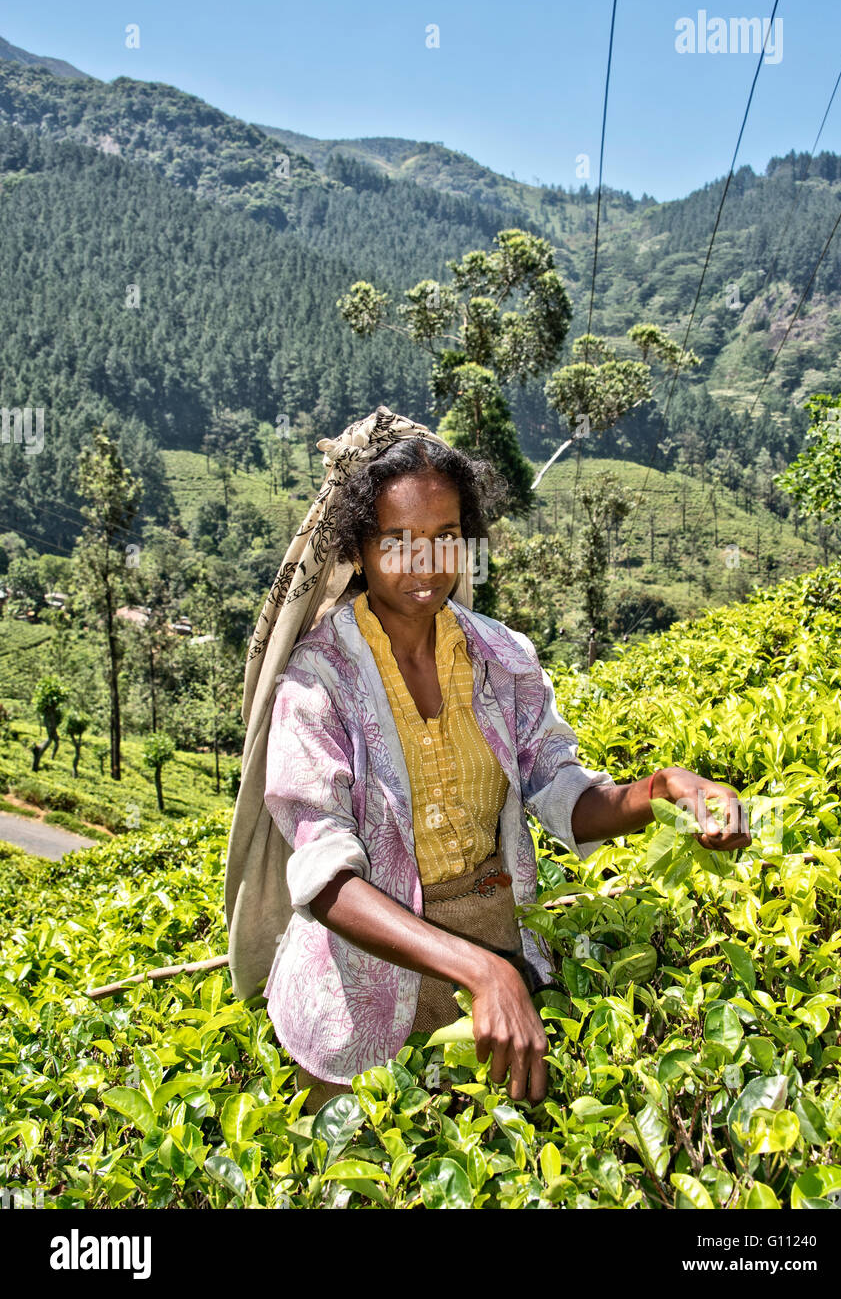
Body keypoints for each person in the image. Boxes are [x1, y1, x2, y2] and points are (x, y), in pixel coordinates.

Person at [224, 405, 751, 1113]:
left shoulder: (502, 660)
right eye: (398, 540)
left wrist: (662, 791)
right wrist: (478, 972)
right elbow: (323, 877)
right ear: (358, 543)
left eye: (445, 538)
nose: (425, 564)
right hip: (361, 980)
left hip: (496, 943)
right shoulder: (316, 686)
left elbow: (560, 792)